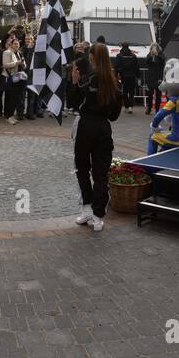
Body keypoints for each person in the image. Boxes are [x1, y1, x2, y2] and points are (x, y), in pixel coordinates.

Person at [71, 42, 122, 232]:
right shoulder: (114, 81)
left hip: (85, 126)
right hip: (103, 128)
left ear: (92, 57)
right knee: (100, 173)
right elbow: (114, 115)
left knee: (82, 168)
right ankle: (98, 216)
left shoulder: (88, 79)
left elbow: (74, 103)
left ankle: (86, 208)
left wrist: (74, 83)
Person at [1, 36, 25, 123]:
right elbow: (5, 65)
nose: (17, 45)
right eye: (15, 44)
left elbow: (23, 64)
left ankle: (10, 115)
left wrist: (23, 64)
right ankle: (8, 116)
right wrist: (17, 63)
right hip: (9, 78)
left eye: (18, 44)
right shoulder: (7, 52)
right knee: (10, 97)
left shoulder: (19, 53)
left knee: (14, 98)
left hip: (18, 78)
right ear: (11, 44)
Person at [115, 43, 140, 109]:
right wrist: (138, 75)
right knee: (131, 91)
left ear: (122, 47)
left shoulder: (119, 55)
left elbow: (116, 66)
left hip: (124, 75)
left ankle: (126, 106)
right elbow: (137, 66)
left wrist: (116, 74)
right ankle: (131, 106)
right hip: (132, 75)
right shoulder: (133, 55)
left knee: (125, 91)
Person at [144, 43, 166, 115]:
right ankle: (149, 108)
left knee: (158, 94)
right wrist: (151, 55)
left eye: (155, 47)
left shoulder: (161, 54)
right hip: (150, 77)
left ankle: (157, 109)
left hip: (158, 77)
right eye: (152, 47)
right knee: (149, 94)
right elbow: (146, 61)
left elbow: (163, 60)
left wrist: (157, 55)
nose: (154, 49)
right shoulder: (149, 54)